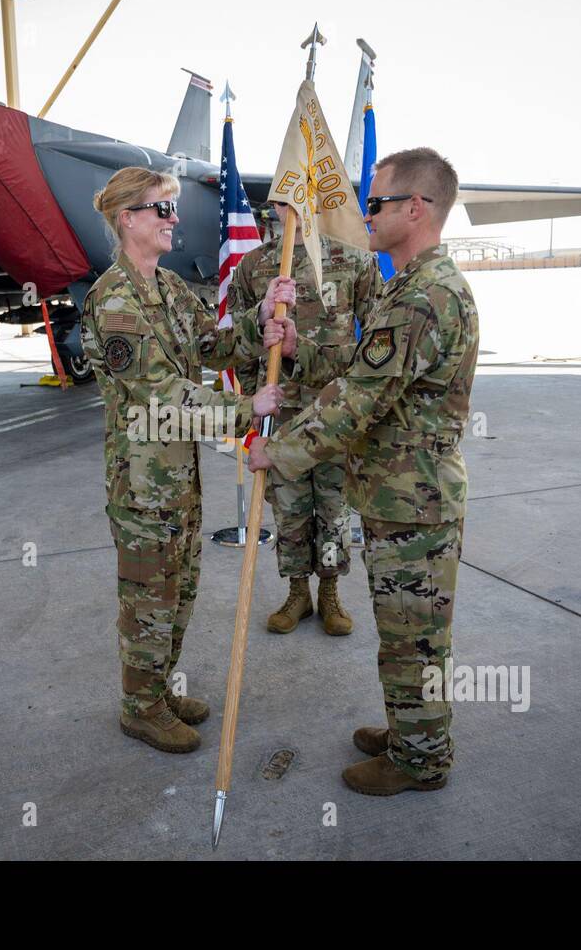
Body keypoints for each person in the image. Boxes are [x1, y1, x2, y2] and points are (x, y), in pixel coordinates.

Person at [250, 147, 479, 796]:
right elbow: (363, 368)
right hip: (399, 497)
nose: (363, 214)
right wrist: (300, 347)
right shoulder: (411, 287)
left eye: (374, 203)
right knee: (409, 635)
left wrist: (280, 451)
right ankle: (412, 729)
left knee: (414, 641)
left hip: (413, 505)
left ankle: (421, 760)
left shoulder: (424, 296)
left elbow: (356, 402)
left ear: (417, 208)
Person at [81, 166, 284, 754]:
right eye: (161, 210)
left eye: (173, 209)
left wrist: (261, 318)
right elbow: (165, 399)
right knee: (148, 598)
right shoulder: (115, 301)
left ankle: (158, 693)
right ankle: (139, 708)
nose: (175, 220)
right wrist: (248, 407)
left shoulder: (167, 289)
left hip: (177, 477)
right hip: (143, 486)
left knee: (180, 590)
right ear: (127, 219)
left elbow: (213, 343)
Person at [229, 204, 380, 636]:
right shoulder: (256, 265)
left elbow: (374, 337)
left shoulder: (354, 258)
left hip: (335, 411)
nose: (292, 203)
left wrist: (360, 402)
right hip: (283, 411)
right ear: (274, 204)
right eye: (284, 195)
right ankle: (298, 591)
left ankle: (330, 591)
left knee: (333, 509)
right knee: (290, 511)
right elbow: (240, 340)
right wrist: (251, 395)